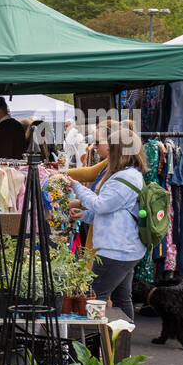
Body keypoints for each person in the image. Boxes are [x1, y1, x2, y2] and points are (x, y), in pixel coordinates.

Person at [55, 121, 147, 320]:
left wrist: (76, 186)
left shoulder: (125, 178)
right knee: (122, 298)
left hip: (116, 250)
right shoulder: (127, 175)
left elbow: (101, 205)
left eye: (101, 143)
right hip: (124, 248)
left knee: (94, 297)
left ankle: (100, 347)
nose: (95, 147)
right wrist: (84, 215)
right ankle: (120, 345)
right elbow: (112, 211)